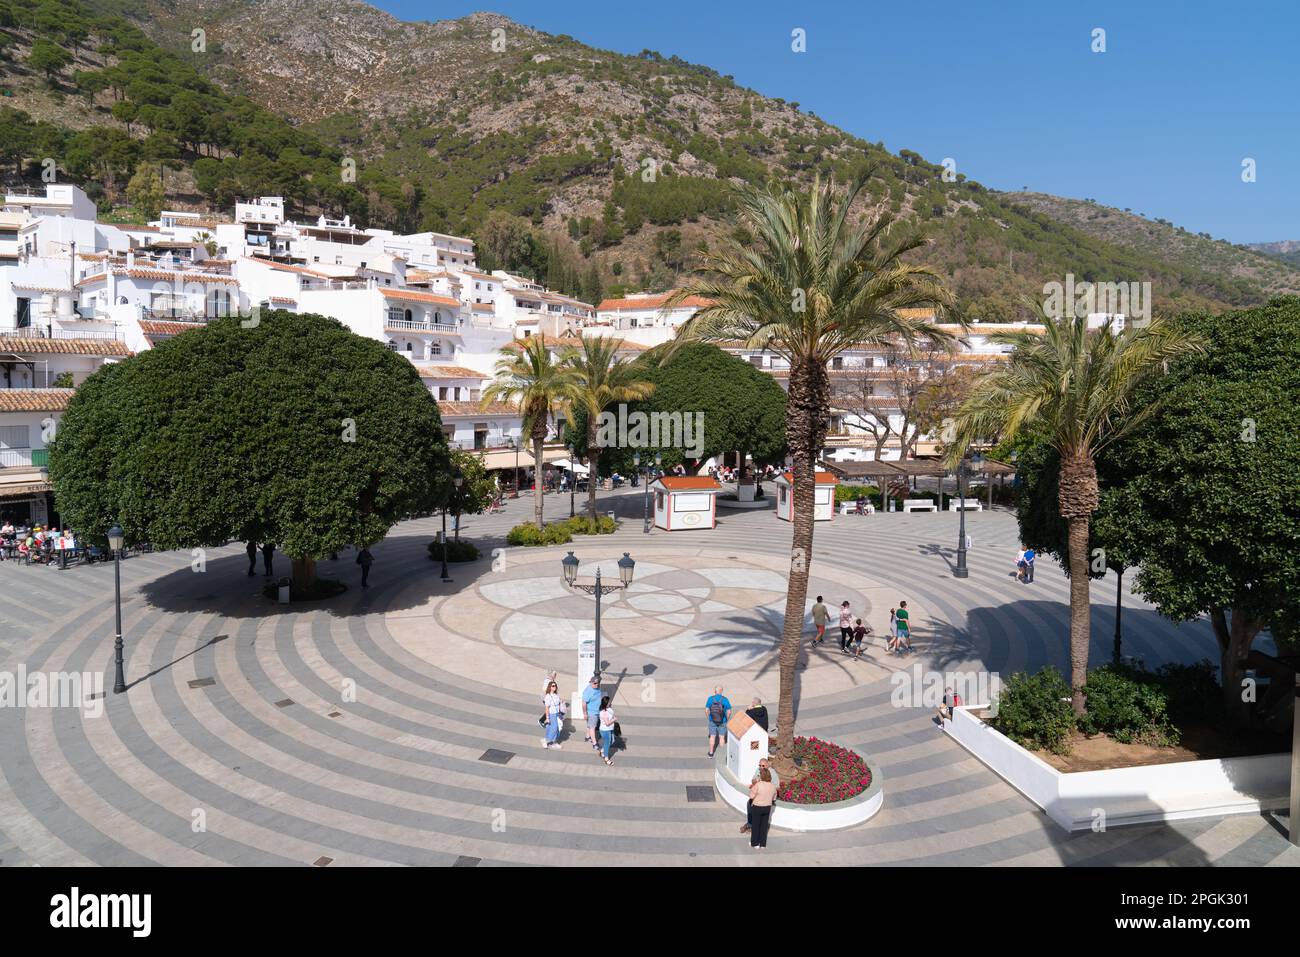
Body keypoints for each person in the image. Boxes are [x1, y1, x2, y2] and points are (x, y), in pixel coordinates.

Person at [739, 756, 772, 834]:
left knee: (755, 807)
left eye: (763, 766)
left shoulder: (771, 773)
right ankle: (749, 824)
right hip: (757, 794)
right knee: (749, 804)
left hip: (765, 795)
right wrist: (755, 781)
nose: (761, 767)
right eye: (760, 765)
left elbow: (776, 786)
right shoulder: (758, 770)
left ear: (767, 765)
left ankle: (754, 826)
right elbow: (753, 780)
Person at [748, 767, 777, 850]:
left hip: (757, 807)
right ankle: (763, 844)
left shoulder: (758, 785)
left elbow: (751, 796)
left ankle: (755, 843)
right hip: (767, 807)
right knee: (764, 826)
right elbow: (774, 798)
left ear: (761, 776)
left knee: (756, 825)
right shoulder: (772, 786)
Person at [705, 686, 730, 757]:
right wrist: (726, 719)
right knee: (722, 737)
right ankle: (721, 755)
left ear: (715, 691)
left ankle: (711, 753)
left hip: (712, 720)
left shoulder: (710, 699)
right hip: (722, 721)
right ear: (722, 691)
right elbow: (729, 711)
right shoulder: (725, 699)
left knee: (712, 737)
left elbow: (706, 710)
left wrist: (709, 718)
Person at [581, 674, 603, 751]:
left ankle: (587, 736)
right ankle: (594, 743)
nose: (596, 685)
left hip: (597, 711)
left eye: (598, 683)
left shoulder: (597, 688)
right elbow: (584, 703)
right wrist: (585, 713)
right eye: (594, 683)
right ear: (591, 682)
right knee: (593, 727)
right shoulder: (588, 691)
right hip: (591, 712)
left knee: (590, 725)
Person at [541, 680, 565, 749]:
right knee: (554, 728)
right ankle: (546, 741)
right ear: (550, 687)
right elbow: (547, 708)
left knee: (557, 729)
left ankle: (553, 742)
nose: (554, 687)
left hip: (557, 714)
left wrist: (561, 701)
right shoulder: (548, 696)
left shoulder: (556, 695)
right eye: (553, 686)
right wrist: (547, 718)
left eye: (555, 686)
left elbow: (559, 702)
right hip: (552, 714)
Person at [597, 695, 616, 766]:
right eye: (609, 701)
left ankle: (602, 751)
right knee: (607, 744)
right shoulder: (603, 712)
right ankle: (606, 759)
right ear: (606, 703)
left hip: (610, 729)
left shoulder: (609, 709)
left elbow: (612, 715)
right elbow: (607, 723)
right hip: (605, 730)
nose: (610, 702)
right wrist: (614, 719)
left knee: (612, 741)